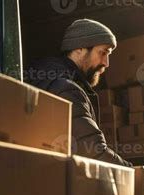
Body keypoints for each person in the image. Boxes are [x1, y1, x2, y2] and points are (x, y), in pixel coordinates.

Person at [26, 19, 131, 166]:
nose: (106, 63)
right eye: (103, 53)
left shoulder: (47, 77)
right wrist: (135, 174)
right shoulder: (65, 88)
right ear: (79, 49)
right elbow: (94, 153)